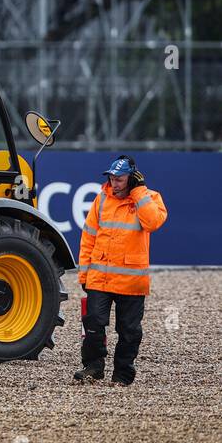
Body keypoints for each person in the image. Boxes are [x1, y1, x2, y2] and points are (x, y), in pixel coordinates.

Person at [74, 156, 168, 387]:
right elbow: (88, 238)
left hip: (131, 281)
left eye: (120, 179)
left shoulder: (149, 198)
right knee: (93, 323)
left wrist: (138, 193)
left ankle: (122, 376)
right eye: (112, 178)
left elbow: (153, 222)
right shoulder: (102, 199)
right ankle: (93, 367)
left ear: (132, 178)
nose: (114, 183)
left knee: (129, 332)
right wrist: (84, 274)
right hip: (100, 277)